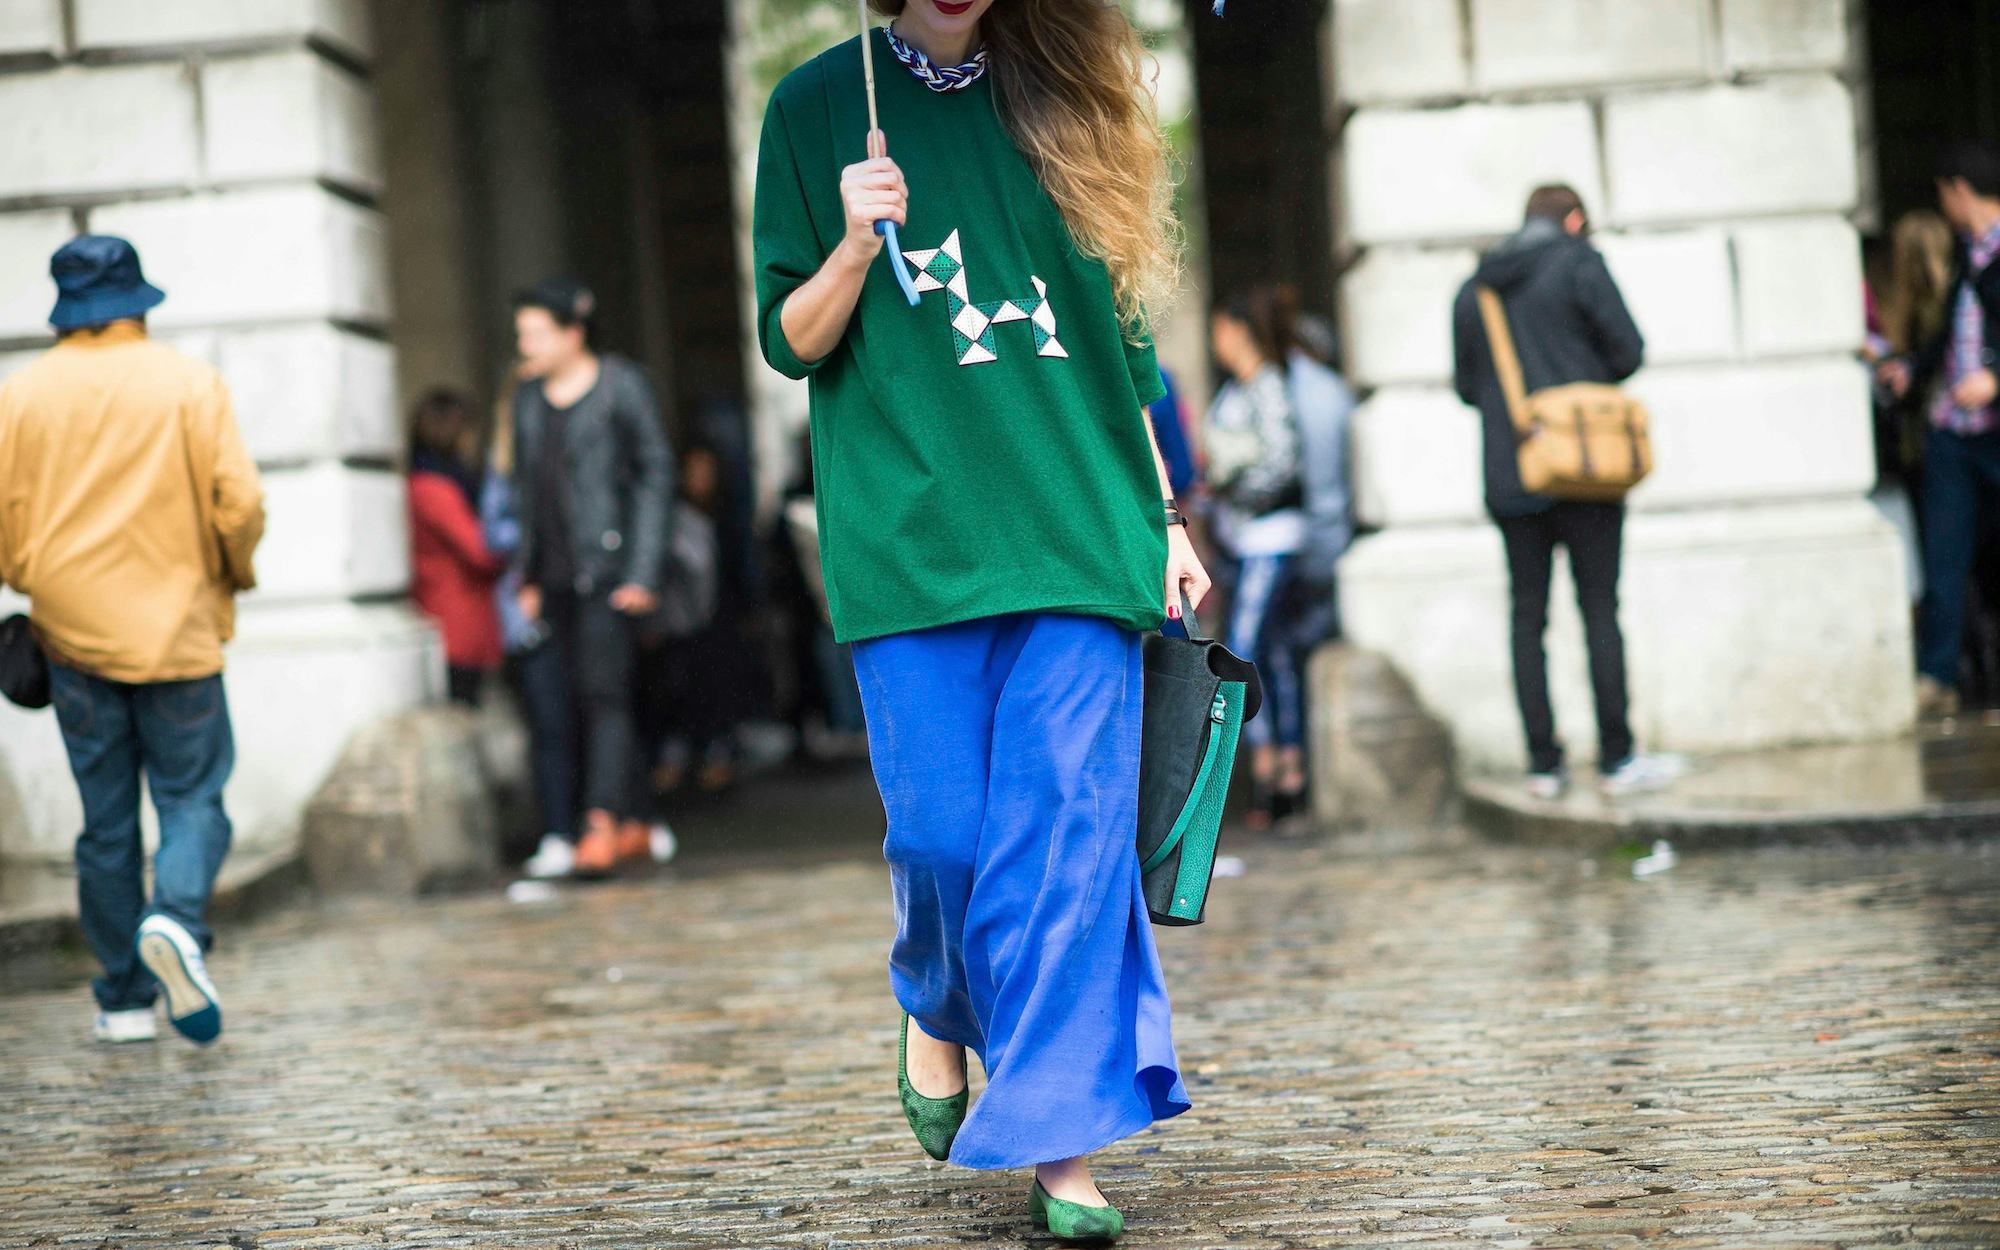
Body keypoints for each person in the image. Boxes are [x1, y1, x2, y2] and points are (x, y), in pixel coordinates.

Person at [753, 0, 1207, 1239]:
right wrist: (852, 247)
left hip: (1078, 531)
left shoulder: (1066, 94)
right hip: (910, 545)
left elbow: (1122, 348)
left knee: (1063, 845)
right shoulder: (813, 108)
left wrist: (1164, 516)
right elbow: (789, 340)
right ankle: (933, 995)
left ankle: (1062, 1145)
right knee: (943, 839)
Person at [0, 236, 264, 1045]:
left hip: (70, 637)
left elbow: (5, 521)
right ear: (137, 304)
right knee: (193, 799)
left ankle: (122, 999)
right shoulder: (189, 382)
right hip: (179, 627)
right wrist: (230, 572)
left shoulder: (21, 394)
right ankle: (175, 919)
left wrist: (30, 575)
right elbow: (240, 503)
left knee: (106, 824)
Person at [1451, 185, 1680, 799]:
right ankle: (1616, 757)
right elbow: (1629, 352)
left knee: (1528, 617)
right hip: (1587, 469)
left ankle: (1544, 765)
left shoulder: (1476, 288)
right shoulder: (1580, 264)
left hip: (1514, 472)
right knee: (1600, 608)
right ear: (1574, 220)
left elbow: (1467, 387)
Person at [510, 278, 675, 878]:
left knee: (607, 695)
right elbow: (528, 490)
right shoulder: (528, 399)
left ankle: (601, 821)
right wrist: (528, 575)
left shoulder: (620, 386)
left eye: (536, 333)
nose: (525, 345)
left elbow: (656, 475)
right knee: (566, 702)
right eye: (522, 334)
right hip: (554, 577)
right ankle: (634, 820)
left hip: (610, 572)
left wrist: (642, 571)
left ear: (573, 333)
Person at [1886, 141, 2000, 720]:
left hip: (1993, 427)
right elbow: (1953, 331)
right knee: (1944, 556)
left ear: (1958, 189)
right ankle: (1938, 677)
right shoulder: (1967, 253)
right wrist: (1913, 369)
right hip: (1953, 429)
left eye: (1942, 193)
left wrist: (1996, 379)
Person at [1205, 286, 1309, 826]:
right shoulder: (1239, 388)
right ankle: (1285, 774)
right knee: (1276, 653)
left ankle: (1272, 770)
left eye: (1220, 329)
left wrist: (1234, 492)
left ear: (1237, 330)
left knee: (1244, 651)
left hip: (1271, 538)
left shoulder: (1267, 384)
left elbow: (1283, 460)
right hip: (1246, 541)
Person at [406, 389, 504, 707]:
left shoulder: (432, 484)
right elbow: (482, 552)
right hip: (456, 625)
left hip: (455, 622)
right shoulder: (435, 489)